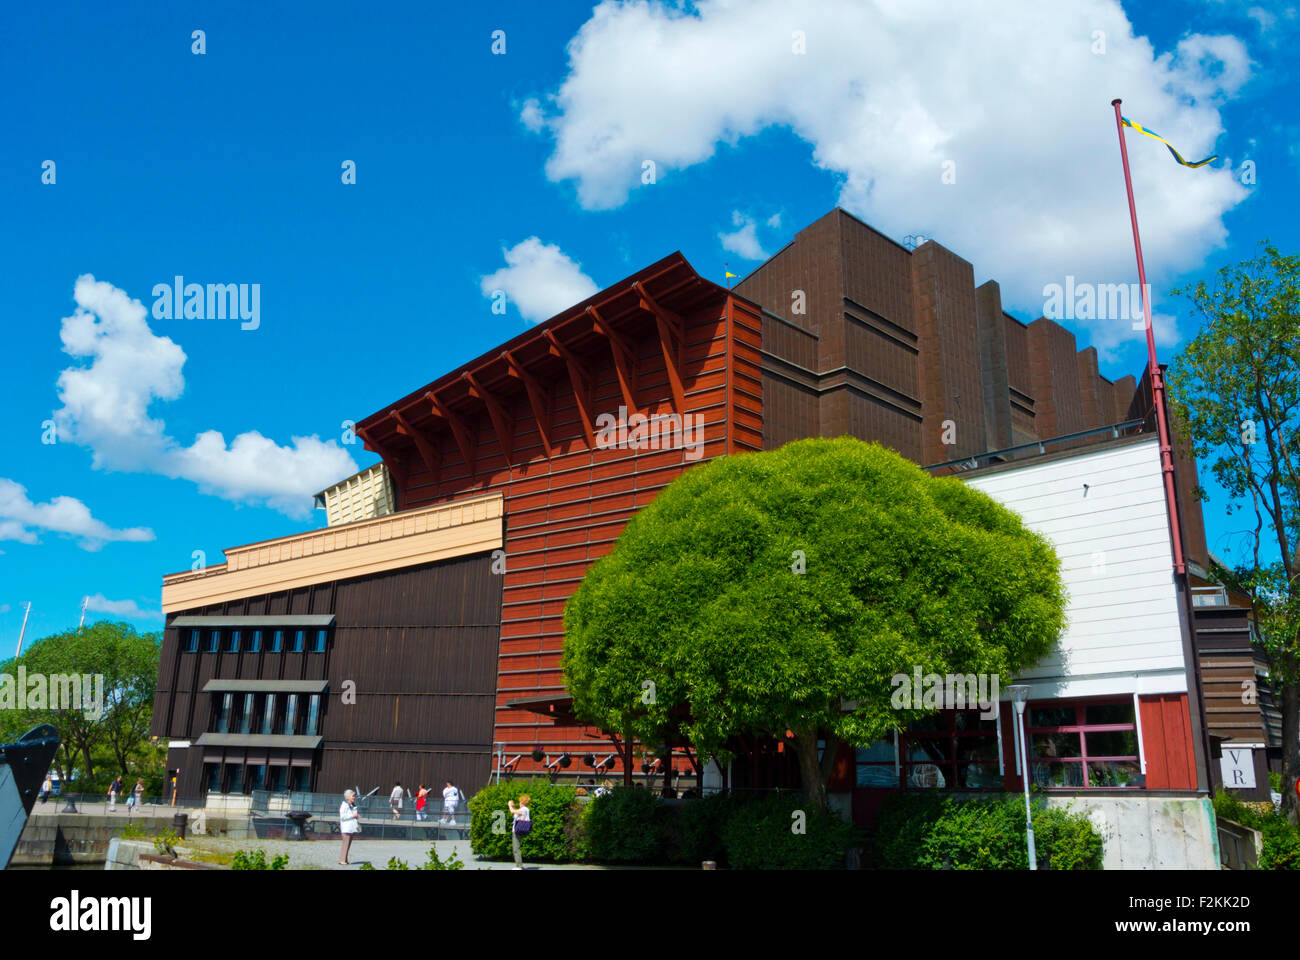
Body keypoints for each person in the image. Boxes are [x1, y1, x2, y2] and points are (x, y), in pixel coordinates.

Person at [507, 793, 531, 870]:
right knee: (517, 847)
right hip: (520, 830)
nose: (519, 803)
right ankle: (519, 865)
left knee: (516, 848)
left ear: (522, 802)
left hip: (517, 830)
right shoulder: (526, 809)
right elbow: (515, 812)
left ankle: (519, 866)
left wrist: (510, 805)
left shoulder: (523, 809)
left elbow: (512, 811)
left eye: (520, 802)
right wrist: (513, 806)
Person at [338, 789, 361, 865]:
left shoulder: (353, 805)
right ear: (348, 797)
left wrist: (357, 816)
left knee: (348, 845)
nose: (354, 797)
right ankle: (342, 860)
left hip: (351, 828)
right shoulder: (344, 805)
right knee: (345, 844)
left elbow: (354, 815)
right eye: (353, 796)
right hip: (346, 828)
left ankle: (345, 859)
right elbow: (343, 816)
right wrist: (353, 815)